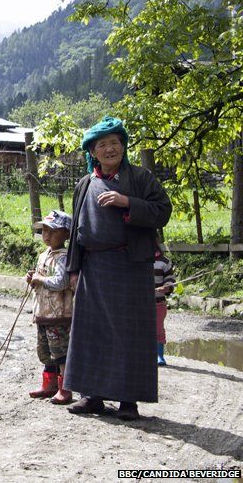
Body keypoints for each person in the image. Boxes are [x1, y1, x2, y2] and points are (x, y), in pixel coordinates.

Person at [63, 116, 172, 422]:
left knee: (130, 333)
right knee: (91, 332)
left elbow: (163, 211)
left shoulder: (140, 179)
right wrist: (74, 268)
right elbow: (76, 232)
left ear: (123, 147)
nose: (110, 149)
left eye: (115, 143)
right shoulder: (85, 184)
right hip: (94, 268)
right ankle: (92, 396)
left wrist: (127, 202)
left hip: (130, 266)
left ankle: (128, 401)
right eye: (102, 145)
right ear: (93, 152)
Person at [25, 210, 74, 405]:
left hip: (59, 313)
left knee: (60, 352)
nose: (47, 235)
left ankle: (65, 388)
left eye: (53, 231)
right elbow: (40, 277)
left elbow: (61, 282)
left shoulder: (63, 257)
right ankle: (49, 384)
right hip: (43, 312)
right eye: (44, 230)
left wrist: (40, 279)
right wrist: (32, 278)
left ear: (66, 235)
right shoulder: (44, 255)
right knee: (45, 351)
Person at [154, 249, 176, 366]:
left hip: (159, 302)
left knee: (158, 329)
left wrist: (166, 287)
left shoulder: (165, 261)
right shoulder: (136, 258)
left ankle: (160, 356)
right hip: (140, 304)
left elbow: (170, 280)